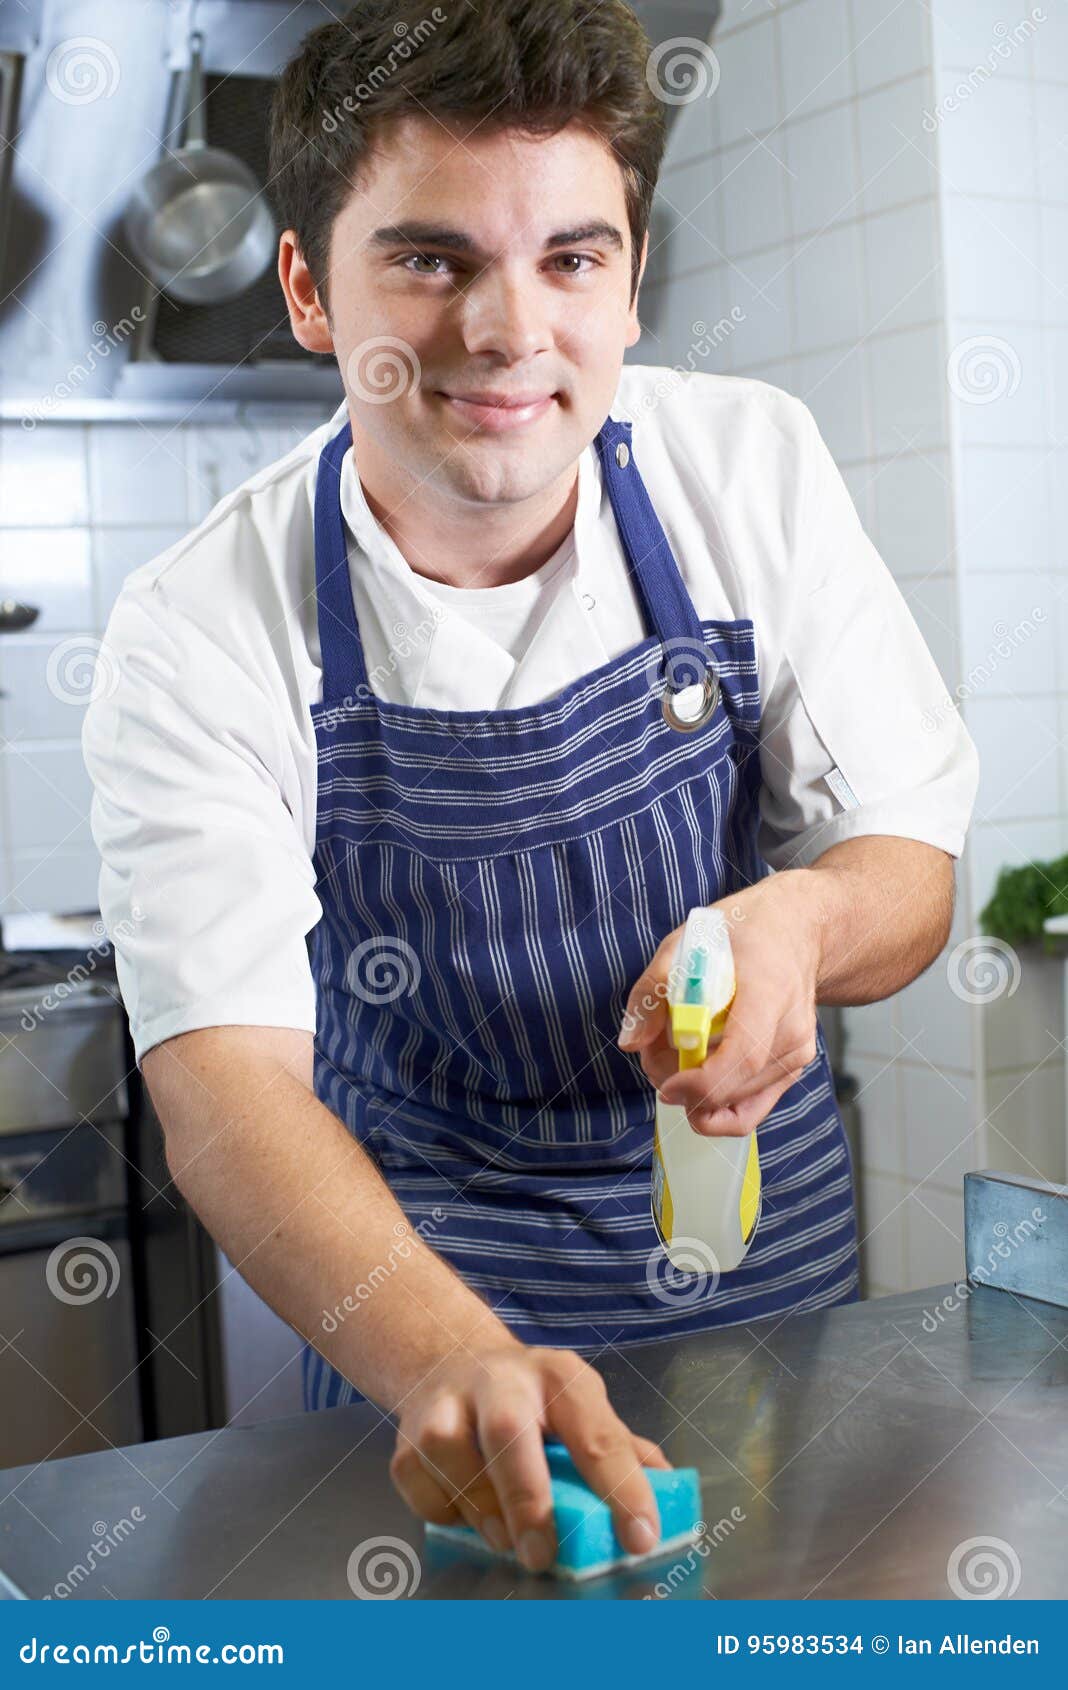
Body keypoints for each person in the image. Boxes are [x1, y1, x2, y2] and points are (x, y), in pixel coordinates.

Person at [83, 0, 979, 1574]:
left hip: (772, 1298)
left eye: (571, 257)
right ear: (308, 286)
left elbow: (906, 861)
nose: (509, 331)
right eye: (431, 259)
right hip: (421, 1339)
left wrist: (799, 925)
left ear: (630, 281)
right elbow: (223, 1087)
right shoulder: (200, 623)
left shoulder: (748, 469)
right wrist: (441, 1353)